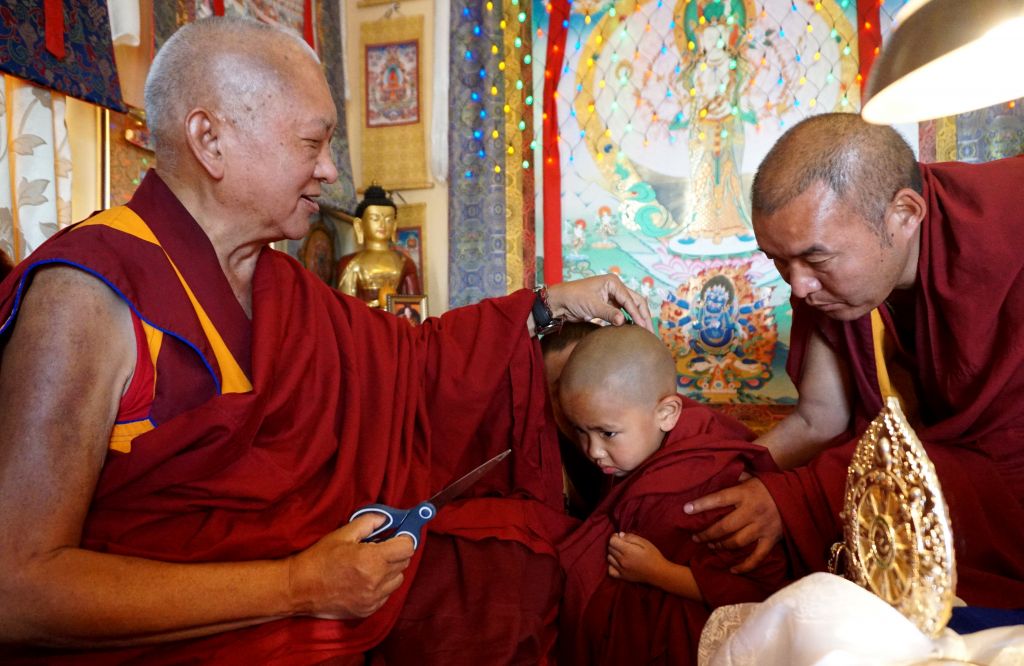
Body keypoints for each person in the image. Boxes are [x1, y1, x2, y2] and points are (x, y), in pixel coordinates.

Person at [0, 16, 653, 664]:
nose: (330, 170)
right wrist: (298, 586)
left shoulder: (281, 283)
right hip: (194, 638)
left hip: (315, 598)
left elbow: (415, 364)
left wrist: (547, 306)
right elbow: (18, 590)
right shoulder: (85, 296)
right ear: (210, 139)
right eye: (312, 144)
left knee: (527, 562)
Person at [684, 112, 1024, 606]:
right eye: (778, 261)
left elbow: (1008, 464)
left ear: (905, 215)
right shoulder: (835, 290)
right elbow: (819, 419)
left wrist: (802, 497)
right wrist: (733, 473)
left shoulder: (1007, 224)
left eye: (815, 260)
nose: (797, 286)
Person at [554, 325, 789, 665]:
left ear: (667, 414)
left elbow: (763, 593)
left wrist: (660, 573)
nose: (593, 451)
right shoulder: (636, 447)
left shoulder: (714, 480)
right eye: (581, 430)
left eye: (607, 433)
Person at [336, 184, 420, 308]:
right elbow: (345, 310)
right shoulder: (350, 264)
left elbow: (415, 309)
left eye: (388, 219)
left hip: (397, 325)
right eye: (375, 218)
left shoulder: (405, 263)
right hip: (364, 324)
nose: (382, 224)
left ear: (395, 225)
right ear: (359, 225)